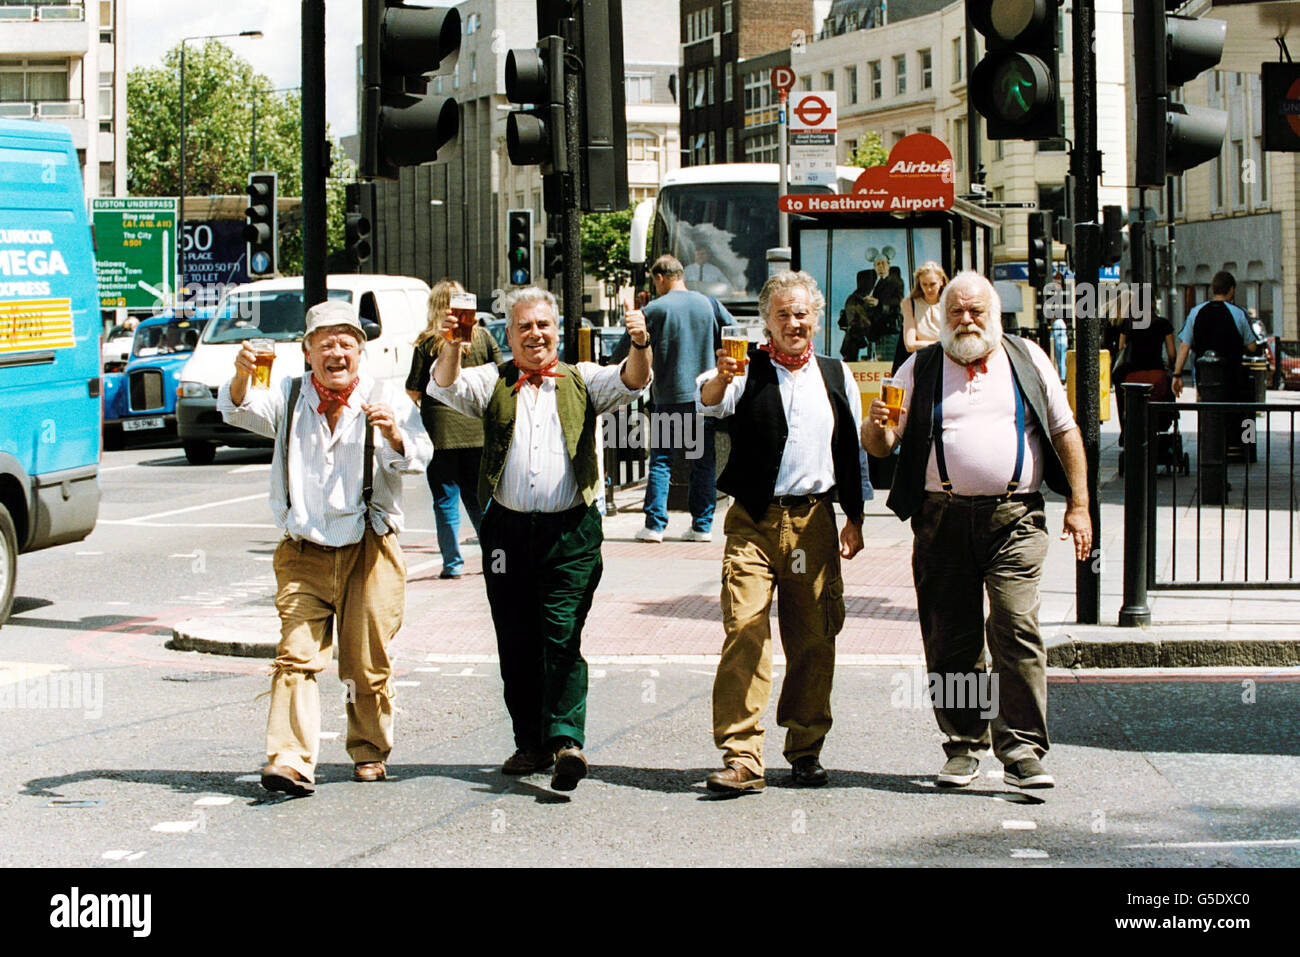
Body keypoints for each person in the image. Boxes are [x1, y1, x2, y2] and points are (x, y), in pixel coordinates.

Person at [861, 271, 1090, 791]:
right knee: (951, 638)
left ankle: (1023, 749)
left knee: (1015, 625)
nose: (966, 320)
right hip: (941, 518)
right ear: (941, 316)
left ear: (995, 315)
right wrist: (876, 426)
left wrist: (1080, 505)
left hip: (1015, 517)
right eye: (956, 311)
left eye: (976, 311)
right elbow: (881, 445)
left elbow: (1064, 430)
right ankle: (964, 745)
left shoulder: (1028, 358)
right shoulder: (918, 367)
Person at [429, 287, 652, 791]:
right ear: (508, 335)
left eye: (544, 325)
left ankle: (566, 740)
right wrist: (452, 344)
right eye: (524, 327)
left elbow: (633, 380)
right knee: (515, 638)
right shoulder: (491, 380)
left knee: (561, 633)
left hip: (570, 530)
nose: (535, 334)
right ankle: (529, 741)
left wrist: (640, 343)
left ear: (557, 330)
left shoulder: (583, 379)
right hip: (506, 534)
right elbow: (444, 386)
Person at [218, 300, 432, 796]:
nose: (337, 352)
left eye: (347, 343)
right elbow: (236, 409)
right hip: (303, 548)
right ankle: (289, 759)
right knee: (294, 657)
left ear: (361, 351)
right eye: (326, 343)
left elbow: (420, 458)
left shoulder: (387, 398)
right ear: (308, 351)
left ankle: (369, 748)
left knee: (365, 664)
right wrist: (240, 375)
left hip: (369, 548)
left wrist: (394, 436)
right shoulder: (288, 395)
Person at [697, 270, 865, 794]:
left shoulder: (836, 374)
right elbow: (708, 400)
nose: (794, 323)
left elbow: (852, 449)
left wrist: (855, 517)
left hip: (814, 522)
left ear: (815, 317)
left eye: (802, 313)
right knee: (745, 630)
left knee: (814, 640)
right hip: (754, 521)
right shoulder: (745, 366)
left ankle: (806, 747)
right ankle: (742, 757)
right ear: (766, 321)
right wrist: (723, 377)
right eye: (783, 314)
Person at [624, 254, 731, 543]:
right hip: (703, 396)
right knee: (702, 461)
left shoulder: (654, 309)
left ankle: (655, 526)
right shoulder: (709, 304)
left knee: (661, 462)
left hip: (669, 396)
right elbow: (733, 332)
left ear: (660, 278)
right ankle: (701, 526)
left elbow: (631, 347)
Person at [405, 280, 502, 579]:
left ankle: (452, 563)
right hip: (477, 430)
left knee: (445, 500)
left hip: (440, 435)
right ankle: (494, 559)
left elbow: (414, 390)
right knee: (479, 500)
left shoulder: (428, 342)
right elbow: (499, 376)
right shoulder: (483, 337)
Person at [1171, 270, 1264, 399]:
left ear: (1213, 289)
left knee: (1207, 416)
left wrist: (1177, 374)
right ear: (1231, 290)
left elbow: (1184, 347)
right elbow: (1252, 347)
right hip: (1232, 381)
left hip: (1204, 381)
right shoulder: (1238, 313)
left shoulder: (1196, 312)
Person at [895, 261, 948, 374]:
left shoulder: (950, 304)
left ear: (941, 282)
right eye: (924, 284)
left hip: (946, 365)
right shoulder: (909, 303)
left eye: (932, 284)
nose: (929, 289)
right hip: (920, 366)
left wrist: (924, 344)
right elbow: (910, 345)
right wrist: (942, 344)